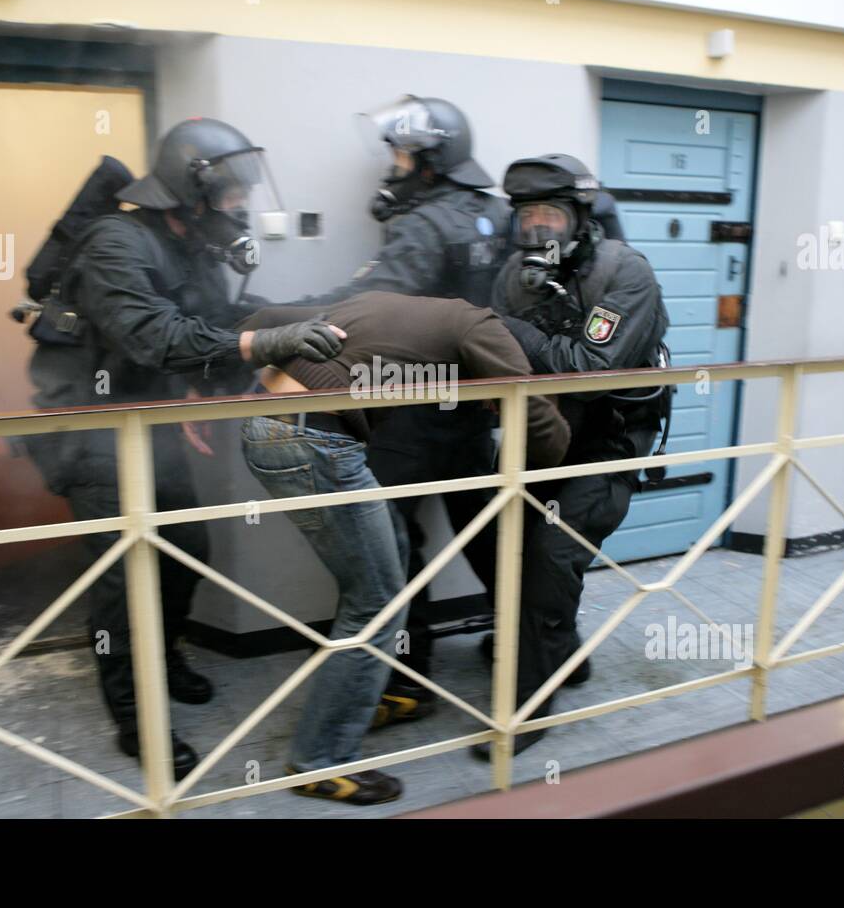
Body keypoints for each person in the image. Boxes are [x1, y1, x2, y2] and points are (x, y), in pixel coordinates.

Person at [22, 118, 345, 779]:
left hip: (152, 422)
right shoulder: (114, 242)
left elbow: (216, 333)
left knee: (186, 552)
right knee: (123, 579)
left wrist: (315, 315)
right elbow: (155, 336)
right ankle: (135, 716)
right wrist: (261, 347)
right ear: (191, 191)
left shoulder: (191, 248)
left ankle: (163, 659)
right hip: (88, 428)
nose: (240, 207)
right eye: (231, 194)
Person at [238, 291, 570, 803]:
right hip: (316, 440)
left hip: (268, 429)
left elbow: (263, 318)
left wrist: (203, 380)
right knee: (376, 601)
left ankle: (381, 694)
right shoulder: (480, 323)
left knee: (386, 556)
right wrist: (554, 467)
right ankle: (318, 759)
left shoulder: (389, 310)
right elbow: (534, 405)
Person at [295, 95, 513, 726]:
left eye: (399, 153)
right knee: (492, 536)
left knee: (390, 544)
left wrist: (277, 322)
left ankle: (404, 684)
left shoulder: (423, 224)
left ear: (428, 160)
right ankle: (544, 651)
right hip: (474, 406)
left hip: (413, 407)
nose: (391, 165)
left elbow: (366, 302)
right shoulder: (494, 214)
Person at [484, 153, 671, 756]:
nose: (538, 230)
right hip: (547, 430)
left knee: (552, 552)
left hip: (612, 434)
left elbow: (592, 368)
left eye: (551, 216)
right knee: (502, 539)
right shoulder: (513, 276)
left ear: (580, 219)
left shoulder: (626, 273)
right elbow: (500, 362)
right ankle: (560, 651)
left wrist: (524, 336)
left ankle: (526, 714)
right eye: (527, 217)